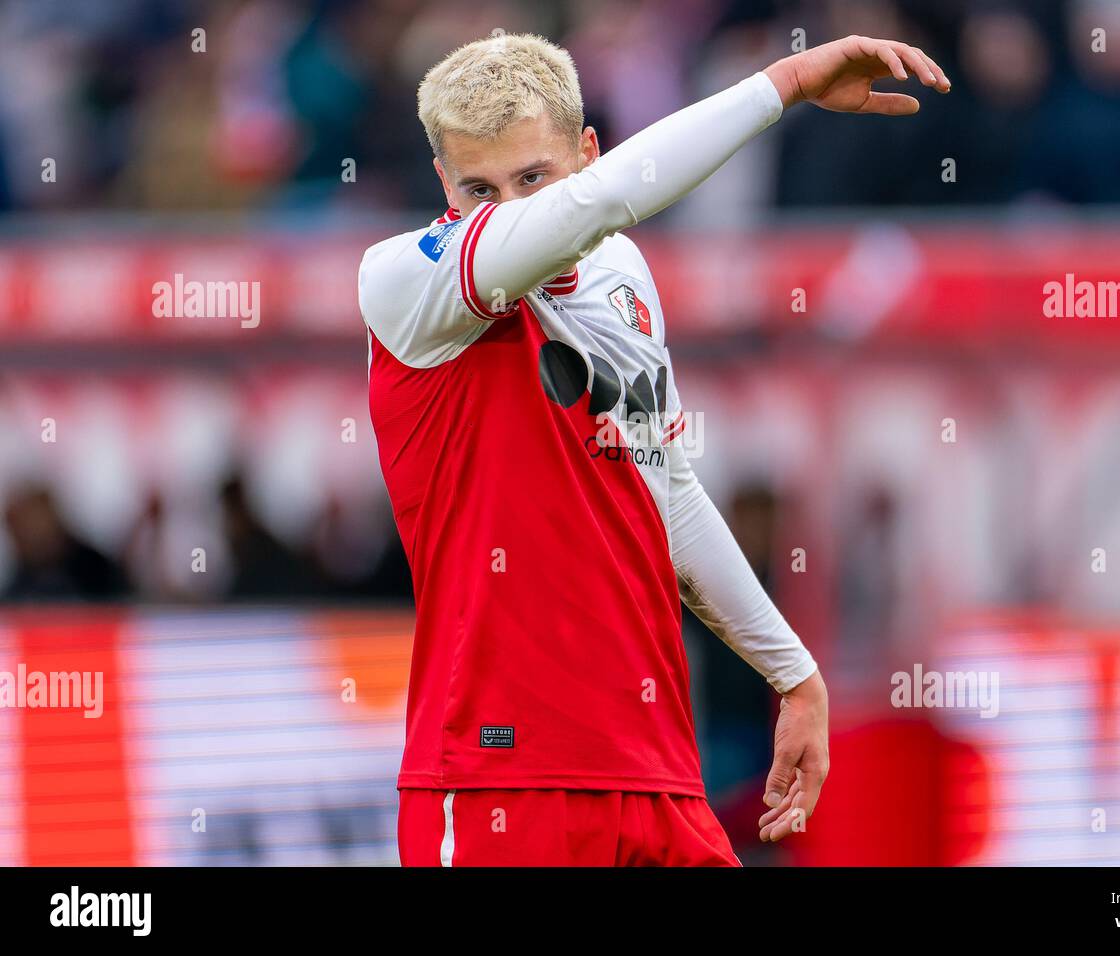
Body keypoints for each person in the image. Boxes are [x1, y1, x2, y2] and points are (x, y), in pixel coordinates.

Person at [359, 31, 948, 866]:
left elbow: (664, 491)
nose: (512, 210)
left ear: (587, 151)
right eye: (479, 189)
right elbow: (594, 207)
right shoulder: (404, 282)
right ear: (441, 187)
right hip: (501, 784)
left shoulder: (622, 277)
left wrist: (793, 673)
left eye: (534, 178)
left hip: (659, 775)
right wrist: (781, 85)